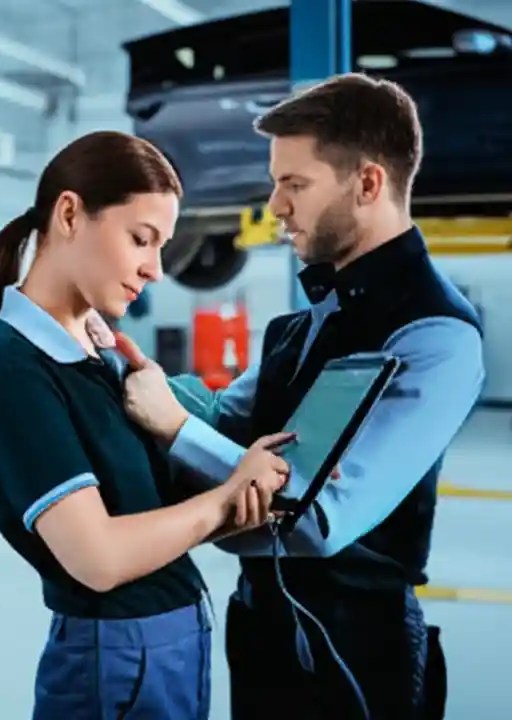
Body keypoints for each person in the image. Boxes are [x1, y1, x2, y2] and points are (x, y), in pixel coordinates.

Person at [118, 73, 485, 720]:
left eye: (295, 184)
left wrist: (174, 427)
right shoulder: (310, 319)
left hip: (353, 651)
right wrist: (118, 370)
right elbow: (224, 417)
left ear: (367, 183)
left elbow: (319, 520)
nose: (275, 205)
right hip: (260, 627)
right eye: (275, 183)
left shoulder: (437, 337)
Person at [0, 130, 294, 720]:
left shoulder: (101, 352)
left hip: (163, 647)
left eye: (161, 245)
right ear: (69, 214)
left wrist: (248, 484)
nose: (156, 269)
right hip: (115, 660)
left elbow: (149, 514)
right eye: (142, 239)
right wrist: (224, 499)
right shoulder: (11, 369)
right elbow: (99, 557)